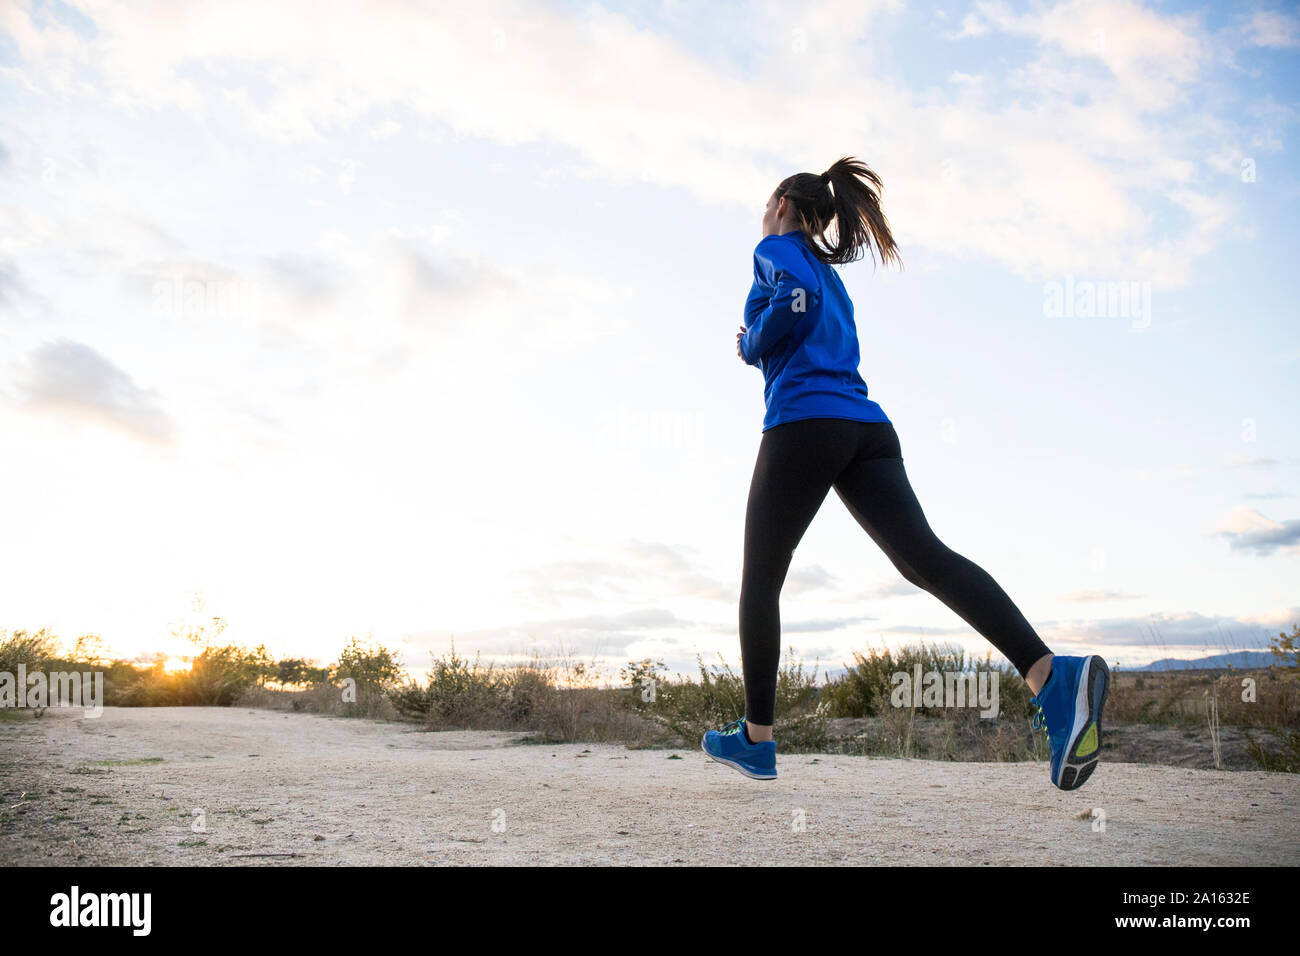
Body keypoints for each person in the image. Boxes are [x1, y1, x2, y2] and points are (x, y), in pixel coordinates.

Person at [701, 156, 1109, 790]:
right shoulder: (835, 279)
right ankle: (1051, 678)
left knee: (760, 579)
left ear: (784, 205)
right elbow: (811, 307)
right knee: (924, 559)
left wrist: (750, 343)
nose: (760, 215)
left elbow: (794, 304)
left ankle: (756, 741)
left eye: (765, 204)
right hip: (866, 429)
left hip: (804, 424)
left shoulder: (776, 248)